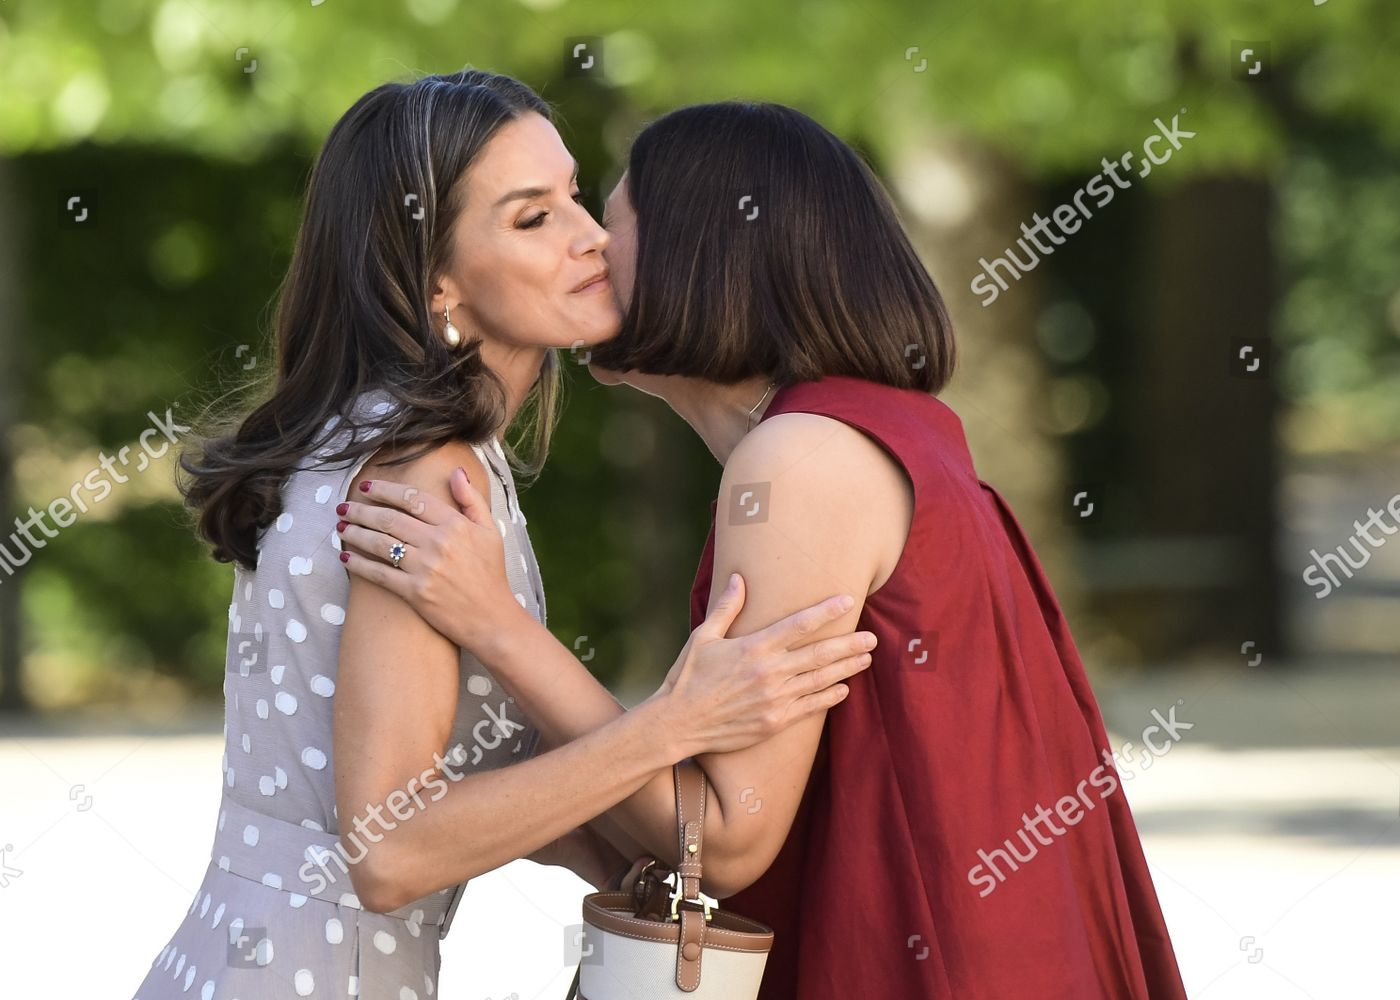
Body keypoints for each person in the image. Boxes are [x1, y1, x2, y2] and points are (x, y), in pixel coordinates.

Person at [342, 101, 1188, 998]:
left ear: (707, 251)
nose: (587, 245)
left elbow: (729, 835)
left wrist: (496, 625)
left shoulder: (800, 461)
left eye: (610, 220)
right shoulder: (873, 435)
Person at [130, 72, 874, 1000]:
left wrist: (671, 822)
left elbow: (497, 788)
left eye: (573, 195)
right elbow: (390, 850)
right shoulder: (421, 468)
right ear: (435, 276)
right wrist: (671, 725)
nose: (591, 236)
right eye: (532, 219)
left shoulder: (407, 442)